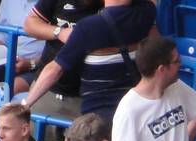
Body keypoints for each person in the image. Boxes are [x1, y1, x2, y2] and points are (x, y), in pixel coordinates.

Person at [23, 0, 158, 119]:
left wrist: (24, 105)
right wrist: (59, 32)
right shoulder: (144, 11)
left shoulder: (137, 12)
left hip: (91, 101)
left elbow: (54, 69)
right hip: (49, 92)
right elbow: (30, 23)